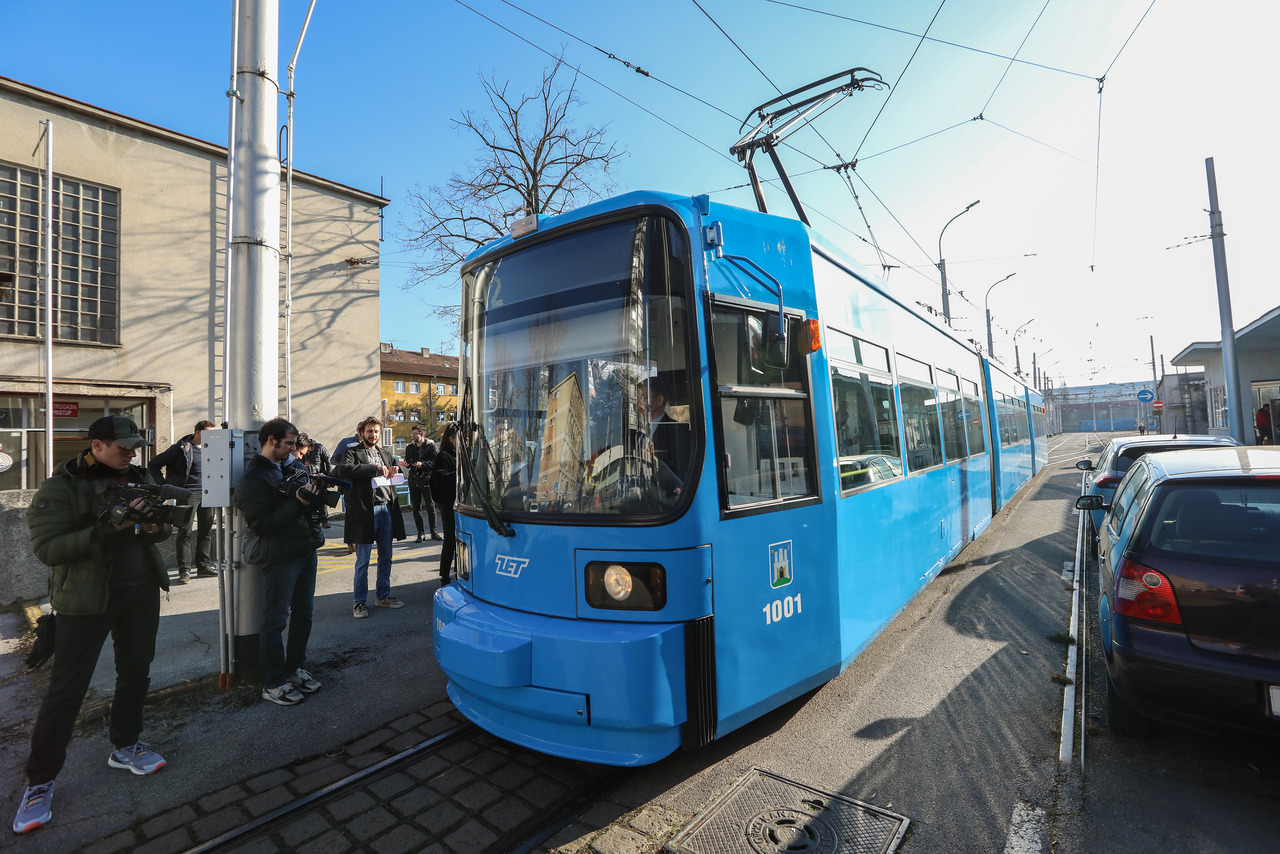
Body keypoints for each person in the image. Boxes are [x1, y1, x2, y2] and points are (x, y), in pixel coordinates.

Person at [14, 416, 173, 835]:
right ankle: (40, 781)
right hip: (85, 600)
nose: (132, 453)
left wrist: (155, 526)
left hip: (140, 592)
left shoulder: (140, 476)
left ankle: (125, 745)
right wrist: (106, 528)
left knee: (136, 671)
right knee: (67, 690)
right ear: (97, 445)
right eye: (123, 447)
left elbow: (151, 534)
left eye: (136, 446)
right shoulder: (61, 487)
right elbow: (48, 549)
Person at [233, 418, 324, 706]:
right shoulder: (254, 479)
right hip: (280, 555)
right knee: (275, 619)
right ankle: (273, 681)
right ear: (271, 441)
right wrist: (299, 502)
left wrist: (314, 498)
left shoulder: (291, 468)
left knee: (304, 613)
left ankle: (294, 668)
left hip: (305, 549)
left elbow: (304, 507)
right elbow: (262, 524)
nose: (295, 450)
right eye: (289, 444)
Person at [334, 416, 407, 618]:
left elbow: (405, 470)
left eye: (376, 431)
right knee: (363, 560)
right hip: (365, 511)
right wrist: (374, 469)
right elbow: (343, 469)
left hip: (386, 510)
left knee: (386, 557)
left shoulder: (385, 453)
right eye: (369, 431)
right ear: (361, 432)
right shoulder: (352, 452)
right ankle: (359, 602)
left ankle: (383, 596)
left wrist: (397, 468)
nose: (373, 435)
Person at [147, 419, 215, 583]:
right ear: (198, 432)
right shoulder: (181, 448)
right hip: (187, 493)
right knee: (185, 532)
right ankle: (184, 571)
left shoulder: (213, 449)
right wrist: (164, 486)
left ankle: (203, 567)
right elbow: (153, 464)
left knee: (206, 532)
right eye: (208, 433)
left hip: (209, 492)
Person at [430, 422, 459, 585]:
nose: (466, 441)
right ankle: (445, 576)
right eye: (462, 438)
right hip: (448, 504)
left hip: (459, 504)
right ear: (451, 439)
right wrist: (459, 473)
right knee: (450, 540)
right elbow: (440, 479)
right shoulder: (444, 456)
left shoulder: (460, 454)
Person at [404, 425, 440, 542]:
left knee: (430, 507)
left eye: (415, 434)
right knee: (416, 508)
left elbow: (435, 463)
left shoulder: (431, 447)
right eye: (412, 434)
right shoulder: (410, 448)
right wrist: (407, 464)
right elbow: (408, 461)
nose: (413, 436)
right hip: (414, 480)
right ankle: (420, 533)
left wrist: (422, 464)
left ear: (422, 435)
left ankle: (433, 532)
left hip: (427, 480)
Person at [296, 432, 333, 528]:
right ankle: (309, 520)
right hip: (305, 477)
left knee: (321, 498)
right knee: (307, 499)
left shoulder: (319, 447)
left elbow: (329, 461)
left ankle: (324, 520)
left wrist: (328, 477)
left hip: (319, 477)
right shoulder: (298, 453)